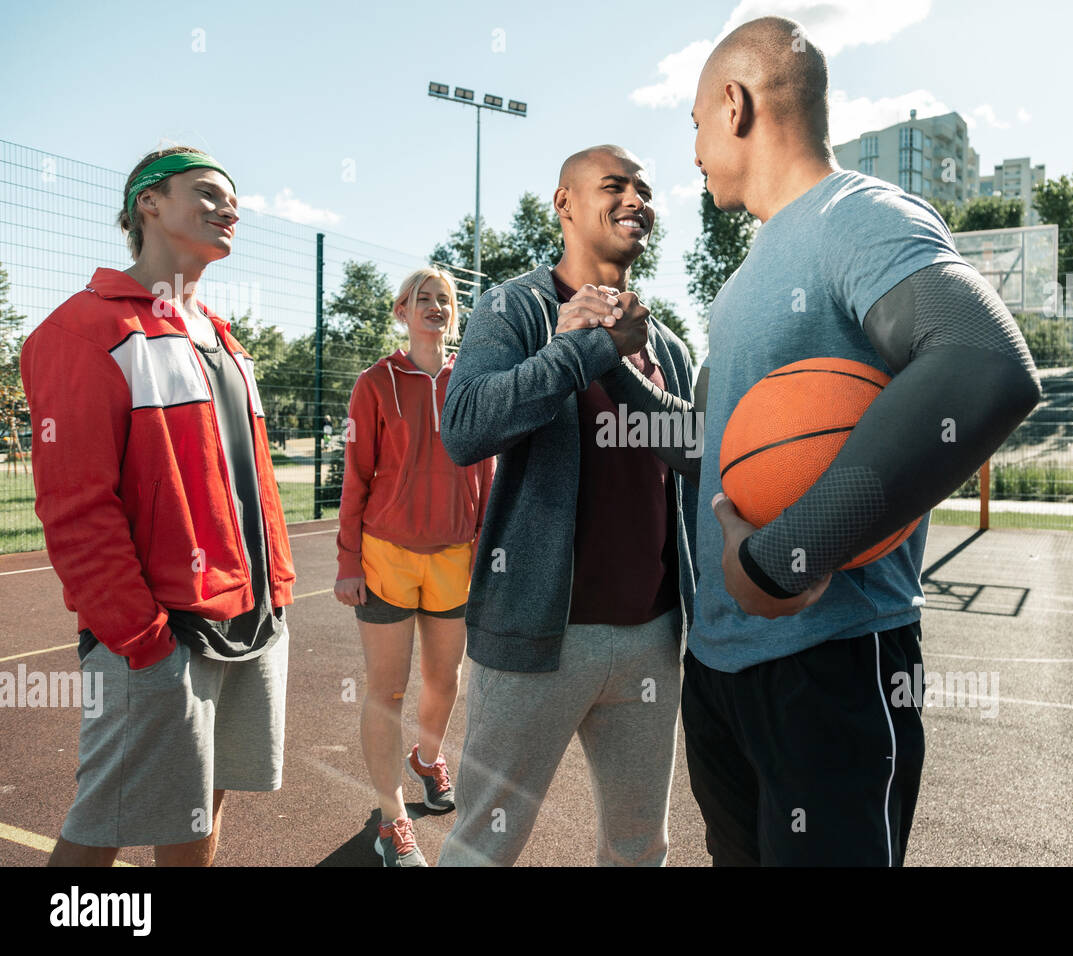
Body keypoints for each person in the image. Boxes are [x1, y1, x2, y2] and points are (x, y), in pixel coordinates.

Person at [608, 17, 1043, 865]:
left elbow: (985, 365)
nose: (693, 149)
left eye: (695, 121)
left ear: (734, 105)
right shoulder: (743, 283)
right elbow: (714, 456)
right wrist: (613, 364)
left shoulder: (859, 215)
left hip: (830, 665)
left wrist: (786, 558)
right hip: (725, 669)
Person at [23, 145, 296, 866]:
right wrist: (139, 635)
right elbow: (76, 507)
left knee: (204, 798)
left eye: (232, 199)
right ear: (148, 203)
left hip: (251, 615)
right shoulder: (82, 330)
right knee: (103, 825)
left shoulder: (222, 338)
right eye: (207, 193)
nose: (229, 208)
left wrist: (278, 593)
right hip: (159, 633)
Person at [435, 145, 696, 866]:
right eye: (615, 186)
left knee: (641, 847)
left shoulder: (665, 342)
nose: (637, 200)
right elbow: (465, 429)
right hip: (537, 637)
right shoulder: (513, 307)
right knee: (484, 845)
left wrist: (622, 354)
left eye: (645, 190)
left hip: (650, 635)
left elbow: (694, 451)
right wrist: (578, 350)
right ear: (566, 204)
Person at [333, 267, 494, 867]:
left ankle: (428, 757)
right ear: (402, 311)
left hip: (454, 557)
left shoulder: (471, 380)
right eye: (422, 299)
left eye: (445, 300)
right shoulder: (375, 383)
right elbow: (355, 477)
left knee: (445, 680)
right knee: (388, 688)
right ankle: (392, 819)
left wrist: (484, 540)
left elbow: (486, 469)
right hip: (385, 557)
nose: (435, 307)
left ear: (456, 314)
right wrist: (349, 560)